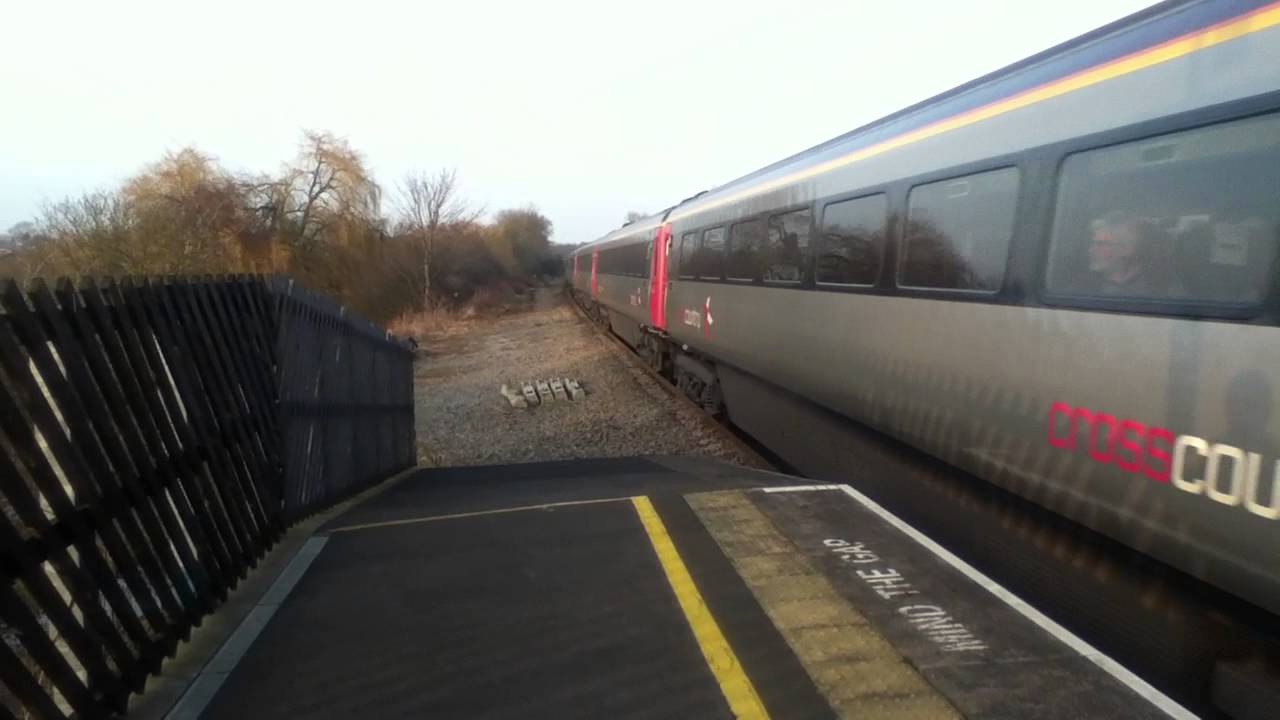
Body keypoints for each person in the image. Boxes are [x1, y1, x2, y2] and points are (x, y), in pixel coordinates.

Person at [1087, 211, 1171, 297]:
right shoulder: (1082, 288)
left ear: (1127, 250)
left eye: (1101, 244)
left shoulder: (1160, 291)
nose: (1091, 250)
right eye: (1093, 243)